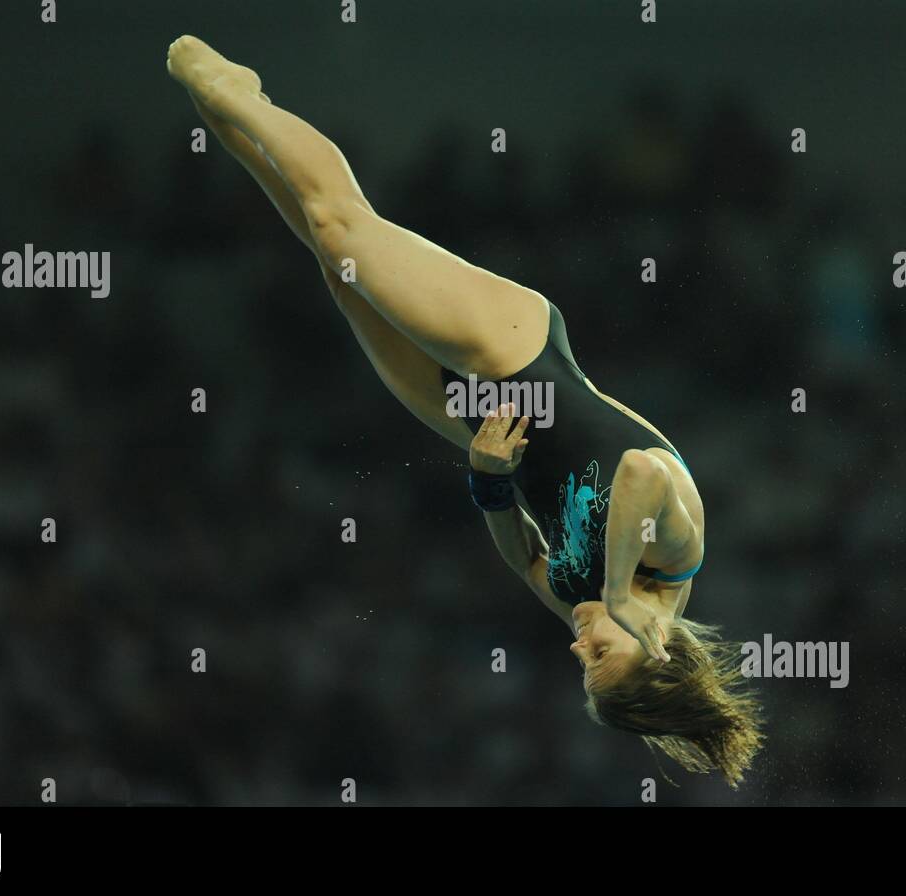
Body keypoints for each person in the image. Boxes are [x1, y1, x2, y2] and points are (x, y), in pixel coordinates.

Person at [167, 35, 761, 785]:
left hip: (476, 421)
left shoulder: (588, 607)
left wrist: (488, 482)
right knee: (343, 228)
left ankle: (234, 126)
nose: (579, 646)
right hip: (516, 354)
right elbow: (641, 473)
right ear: (658, 645)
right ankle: (237, 94)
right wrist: (617, 592)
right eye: (600, 656)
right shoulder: (673, 556)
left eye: (583, 665)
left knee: (336, 269)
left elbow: (527, 560)